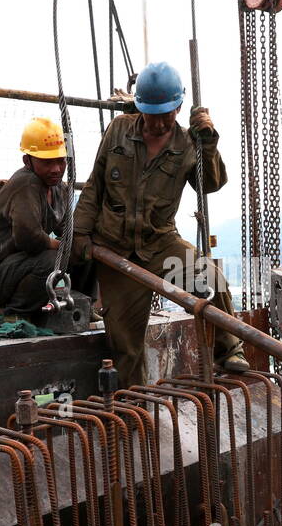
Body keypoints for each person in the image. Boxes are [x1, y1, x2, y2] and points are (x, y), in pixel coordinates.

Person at [70, 61, 248, 389]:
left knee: (211, 278)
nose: (158, 122)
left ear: (179, 107)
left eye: (166, 114)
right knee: (124, 345)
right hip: (115, 248)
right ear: (140, 108)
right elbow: (95, 183)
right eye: (151, 114)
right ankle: (133, 405)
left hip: (159, 243)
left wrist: (208, 144)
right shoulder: (119, 130)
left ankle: (230, 349)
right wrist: (80, 231)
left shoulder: (187, 142)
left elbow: (211, 184)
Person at [0, 117, 93, 323]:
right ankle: (16, 315)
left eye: (60, 161)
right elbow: (29, 239)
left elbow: (70, 231)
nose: (56, 169)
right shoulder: (26, 185)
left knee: (85, 250)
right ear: (27, 161)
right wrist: (63, 247)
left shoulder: (59, 189)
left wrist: (81, 245)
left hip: (20, 266)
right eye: (47, 162)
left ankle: (82, 305)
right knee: (53, 259)